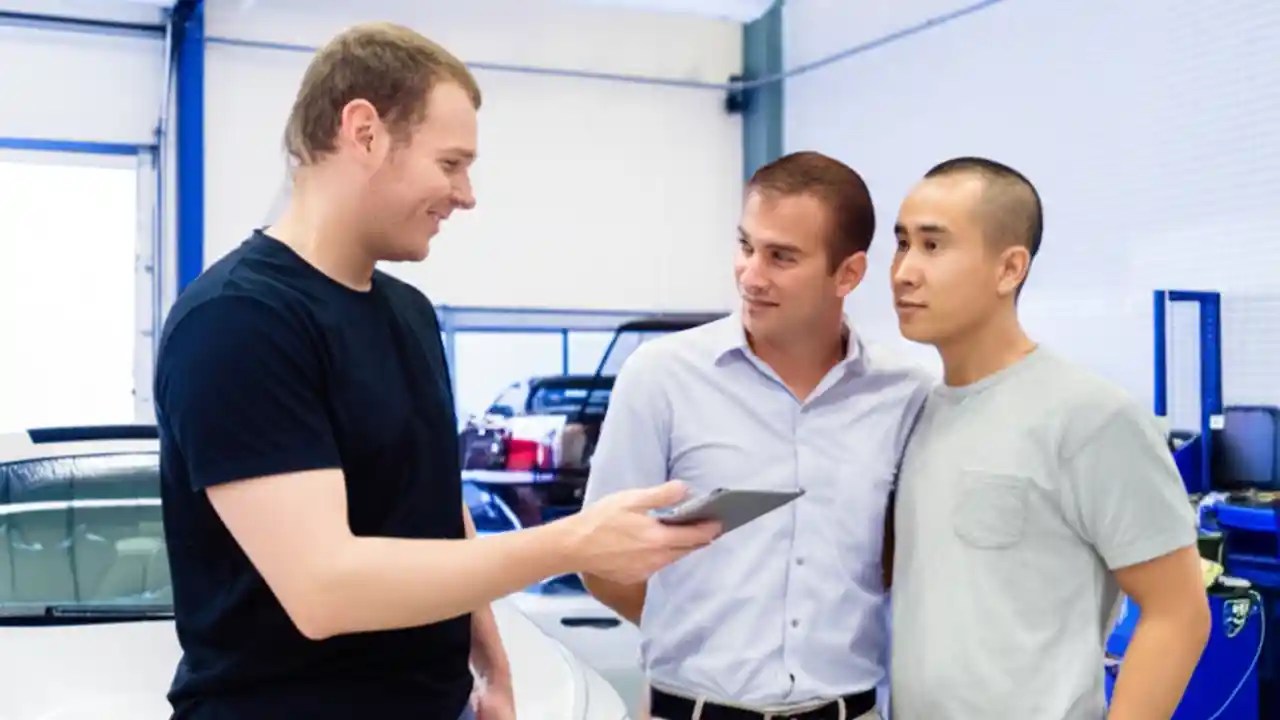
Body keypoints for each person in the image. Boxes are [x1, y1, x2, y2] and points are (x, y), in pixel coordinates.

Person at [152, 22, 720, 720]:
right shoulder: (239, 322)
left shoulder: (410, 313)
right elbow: (325, 588)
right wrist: (572, 541)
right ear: (363, 132)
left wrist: (493, 662)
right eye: (450, 163)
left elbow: (435, 507)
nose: (466, 194)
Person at [582, 151, 933, 720]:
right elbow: (599, 561)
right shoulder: (662, 376)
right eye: (746, 246)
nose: (751, 274)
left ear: (848, 274)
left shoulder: (907, 395)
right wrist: (700, 633)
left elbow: (896, 560)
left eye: (781, 257)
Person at [888, 157, 1211, 719]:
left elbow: (1179, 614)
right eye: (902, 243)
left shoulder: (1090, 417)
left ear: (1009, 268)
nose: (904, 272)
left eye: (933, 246)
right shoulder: (914, 415)